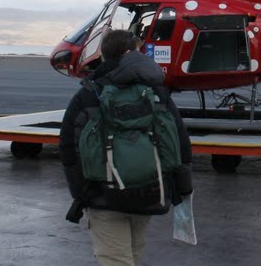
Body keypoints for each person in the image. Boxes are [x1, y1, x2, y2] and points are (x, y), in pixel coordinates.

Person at [59, 29, 193, 266]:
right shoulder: (158, 93)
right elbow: (180, 141)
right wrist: (182, 187)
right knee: (133, 253)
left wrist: (81, 192)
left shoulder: (89, 94)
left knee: (116, 259)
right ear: (131, 53)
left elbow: (68, 147)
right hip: (150, 191)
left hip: (103, 194)